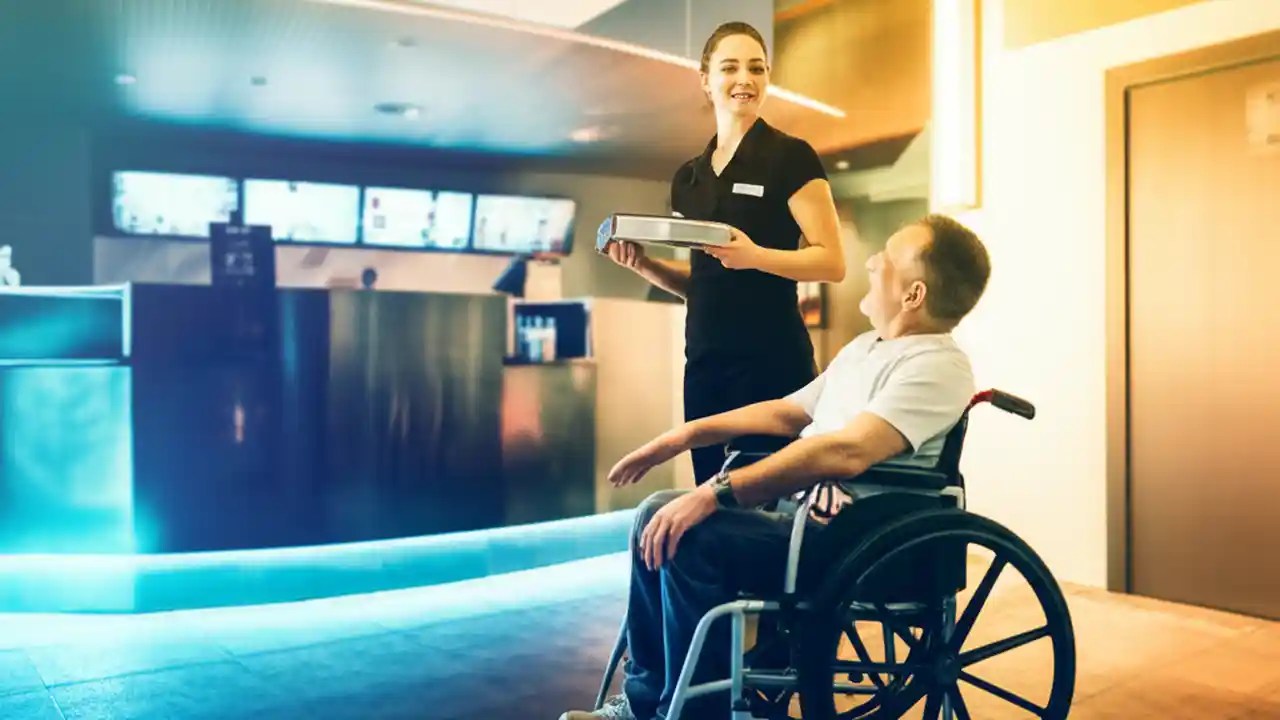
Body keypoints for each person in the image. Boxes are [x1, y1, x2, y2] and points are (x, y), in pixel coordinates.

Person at [561, 214, 992, 720]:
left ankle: (696, 712)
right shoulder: (866, 349)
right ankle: (643, 701)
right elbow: (788, 412)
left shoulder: (937, 365)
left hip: (851, 540)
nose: (874, 262)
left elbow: (847, 451)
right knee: (655, 512)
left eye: (889, 258)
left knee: (692, 536)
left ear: (914, 294)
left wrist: (717, 491)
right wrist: (683, 436)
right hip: (806, 523)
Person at [603, 21, 846, 485]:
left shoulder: (790, 157)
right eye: (730, 68)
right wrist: (645, 265)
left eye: (757, 68)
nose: (745, 79)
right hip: (706, 367)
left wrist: (756, 256)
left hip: (772, 363)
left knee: (770, 501)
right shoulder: (688, 179)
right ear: (705, 79)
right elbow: (706, 285)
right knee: (711, 499)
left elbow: (832, 262)